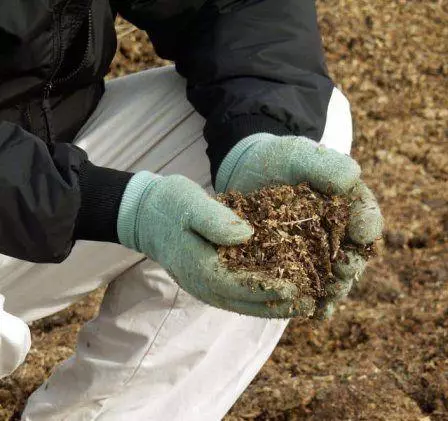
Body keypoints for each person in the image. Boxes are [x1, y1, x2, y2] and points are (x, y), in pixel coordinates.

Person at [0, 1, 383, 420]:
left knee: (304, 143)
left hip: (33, 182)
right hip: (29, 196)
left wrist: (254, 138)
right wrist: (117, 205)